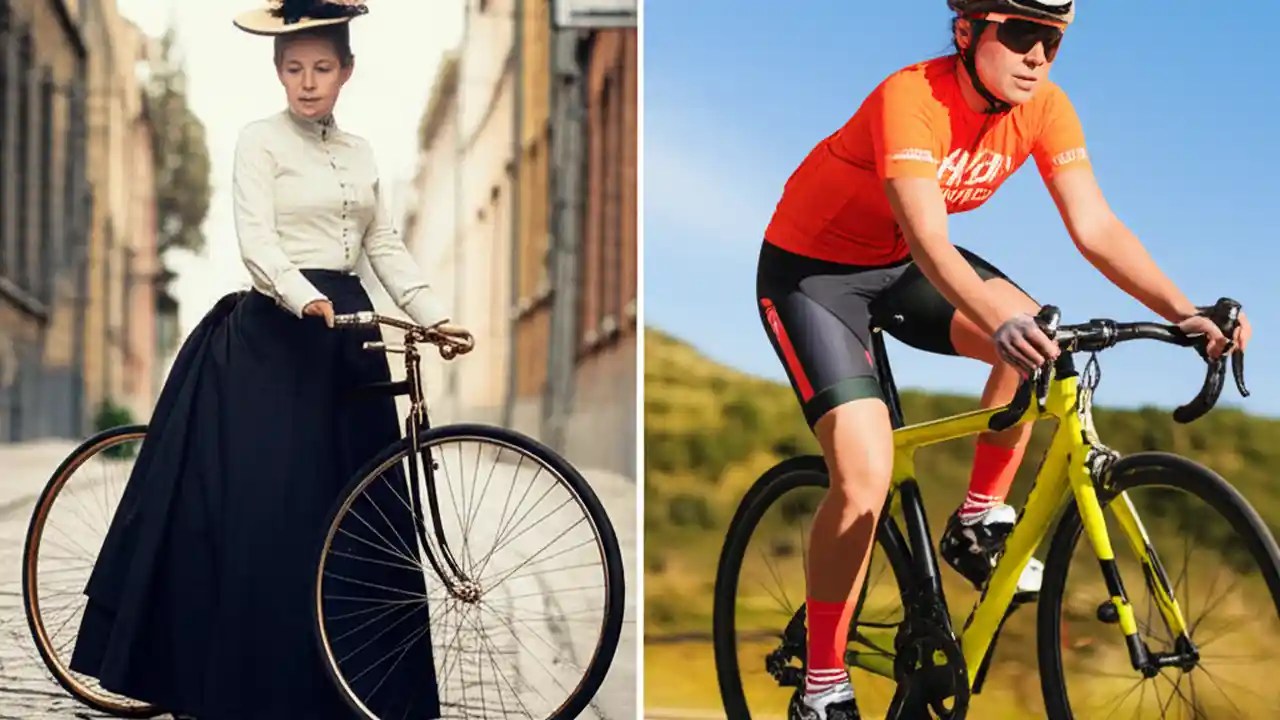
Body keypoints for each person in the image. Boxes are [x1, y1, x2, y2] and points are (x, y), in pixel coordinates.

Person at [755, 2, 1253, 718]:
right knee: (863, 479)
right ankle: (824, 684)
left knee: (1042, 341)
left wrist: (1184, 311)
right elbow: (929, 236)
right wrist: (1002, 320)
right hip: (815, 277)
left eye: (1051, 40)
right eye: (1020, 34)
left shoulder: (1046, 108)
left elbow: (1096, 226)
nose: (1037, 56)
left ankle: (978, 519)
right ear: (966, 33)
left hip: (900, 265)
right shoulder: (913, 97)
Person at [67, 2, 462, 718]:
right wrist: (302, 298)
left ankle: (358, 688)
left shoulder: (363, 154)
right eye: (293, 69)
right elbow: (259, 241)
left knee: (362, 516)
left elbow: (385, 248)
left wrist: (435, 316)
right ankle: (249, 686)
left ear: (346, 71)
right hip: (276, 340)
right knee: (272, 516)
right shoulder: (259, 142)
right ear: (278, 72)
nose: (306, 83)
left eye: (320, 68)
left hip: (350, 341)